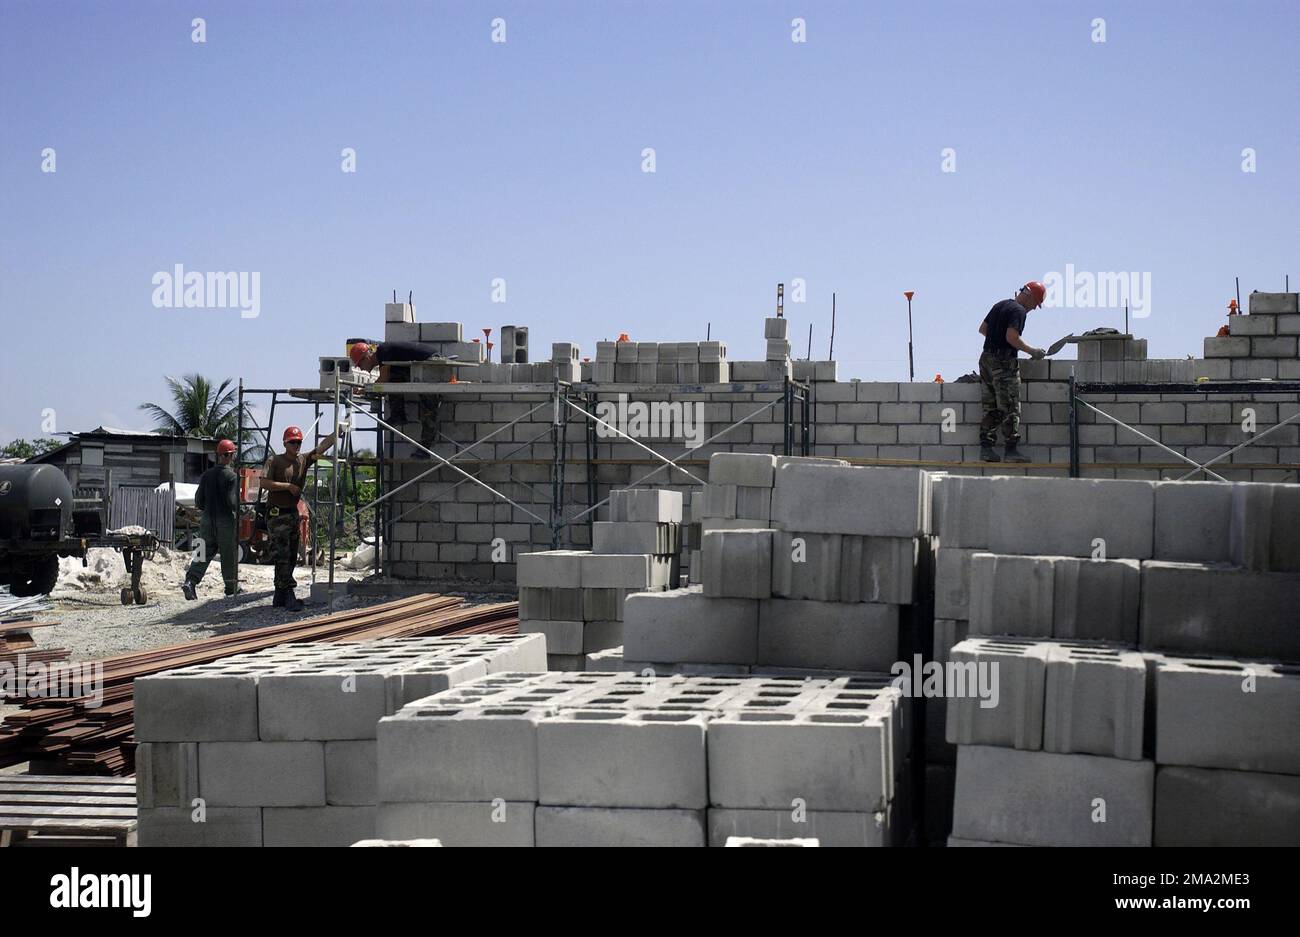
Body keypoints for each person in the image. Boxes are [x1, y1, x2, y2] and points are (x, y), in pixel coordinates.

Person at [262, 425, 337, 610]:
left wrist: (338, 432)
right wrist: (287, 486)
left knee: (291, 555)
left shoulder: (303, 460)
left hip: (291, 513)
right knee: (282, 555)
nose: (297, 445)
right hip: (277, 514)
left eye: (299, 442)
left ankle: (280, 595)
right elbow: (264, 483)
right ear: (285, 443)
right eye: (293, 442)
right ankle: (288, 594)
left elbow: (321, 447)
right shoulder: (275, 461)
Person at [978, 281, 1048, 463]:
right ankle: (1011, 451)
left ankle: (986, 449)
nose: (1033, 308)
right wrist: (1032, 351)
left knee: (991, 406)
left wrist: (998, 342)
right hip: (1003, 362)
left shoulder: (1000, 305)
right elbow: (1012, 337)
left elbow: (983, 330)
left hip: (986, 359)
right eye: (1035, 304)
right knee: (1010, 407)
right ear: (1031, 296)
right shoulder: (1019, 311)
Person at [349, 340, 441, 449]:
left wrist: (365, 389)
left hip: (430, 363)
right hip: (421, 364)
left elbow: (383, 380)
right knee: (394, 378)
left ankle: (425, 448)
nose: (360, 368)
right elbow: (385, 383)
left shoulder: (383, 352)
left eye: (360, 364)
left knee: (428, 408)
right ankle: (398, 415)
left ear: (367, 357)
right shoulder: (386, 356)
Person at [182, 439, 240, 599]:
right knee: (229, 555)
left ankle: (190, 581)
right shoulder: (232, 477)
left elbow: (199, 500)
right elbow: (232, 501)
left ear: (218, 455)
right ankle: (231, 587)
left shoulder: (206, 475)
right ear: (231, 456)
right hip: (225, 522)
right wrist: (243, 511)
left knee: (201, 553)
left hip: (206, 522)